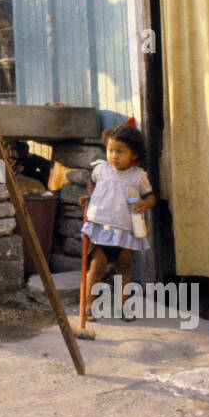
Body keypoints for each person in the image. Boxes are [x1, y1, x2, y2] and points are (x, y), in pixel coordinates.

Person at [78, 124, 156, 321]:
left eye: (120, 152)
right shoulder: (101, 169)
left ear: (134, 154)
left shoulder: (139, 176)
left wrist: (144, 203)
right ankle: (88, 305)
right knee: (96, 268)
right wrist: (90, 196)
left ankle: (123, 306)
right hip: (101, 228)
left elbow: (151, 198)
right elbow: (92, 182)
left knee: (124, 268)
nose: (114, 156)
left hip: (126, 231)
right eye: (110, 151)